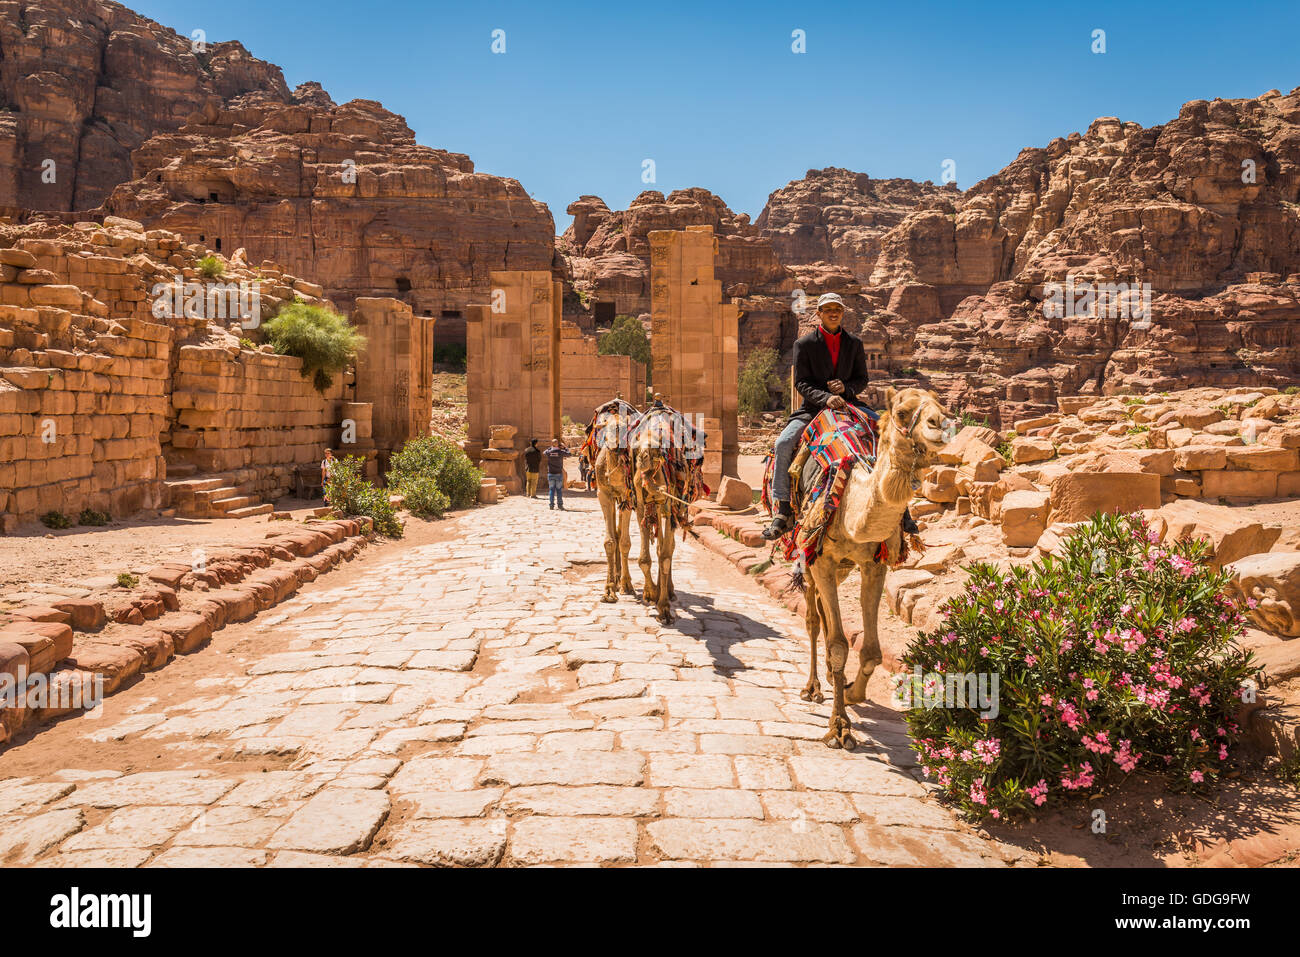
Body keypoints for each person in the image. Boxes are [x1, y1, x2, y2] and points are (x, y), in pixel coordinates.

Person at [763, 292, 919, 541]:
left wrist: (846, 389)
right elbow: (802, 383)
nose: (833, 312)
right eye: (828, 309)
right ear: (819, 314)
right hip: (813, 409)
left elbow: (862, 379)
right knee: (783, 443)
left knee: (889, 435)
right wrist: (825, 397)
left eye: (837, 309)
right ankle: (782, 508)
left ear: (843, 313)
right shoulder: (804, 344)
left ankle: (902, 507)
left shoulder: (854, 344)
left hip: (849, 405)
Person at [544, 437, 571, 510]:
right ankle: (560, 505)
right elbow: (569, 454)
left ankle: (551, 505)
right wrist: (565, 447)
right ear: (558, 444)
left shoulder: (549, 452)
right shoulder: (561, 452)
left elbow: (544, 452)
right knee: (559, 490)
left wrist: (551, 447)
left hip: (551, 473)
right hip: (558, 473)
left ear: (552, 444)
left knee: (551, 490)